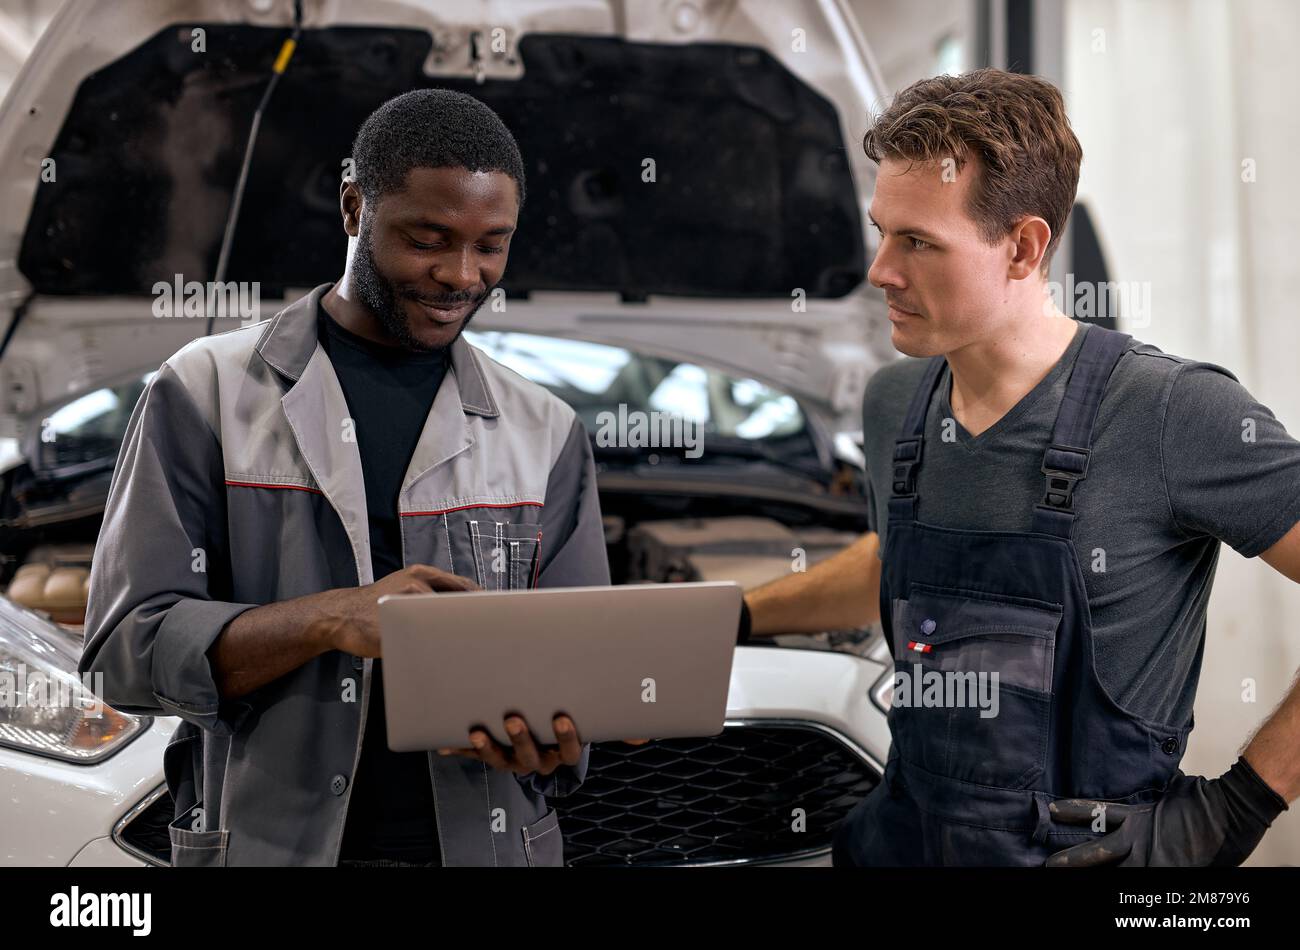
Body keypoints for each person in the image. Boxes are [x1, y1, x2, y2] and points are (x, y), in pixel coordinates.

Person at [740, 69, 1298, 866]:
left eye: (920, 243)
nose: (881, 272)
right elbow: (893, 560)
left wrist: (1235, 809)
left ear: (1025, 247)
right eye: (882, 232)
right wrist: (737, 619)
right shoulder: (896, 403)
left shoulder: (1172, 413)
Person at [81, 89, 610, 866]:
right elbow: (125, 652)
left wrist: (556, 741)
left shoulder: (547, 430)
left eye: (492, 244)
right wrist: (330, 620)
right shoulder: (206, 393)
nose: (462, 275)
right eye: (428, 239)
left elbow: (584, 678)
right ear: (355, 207)